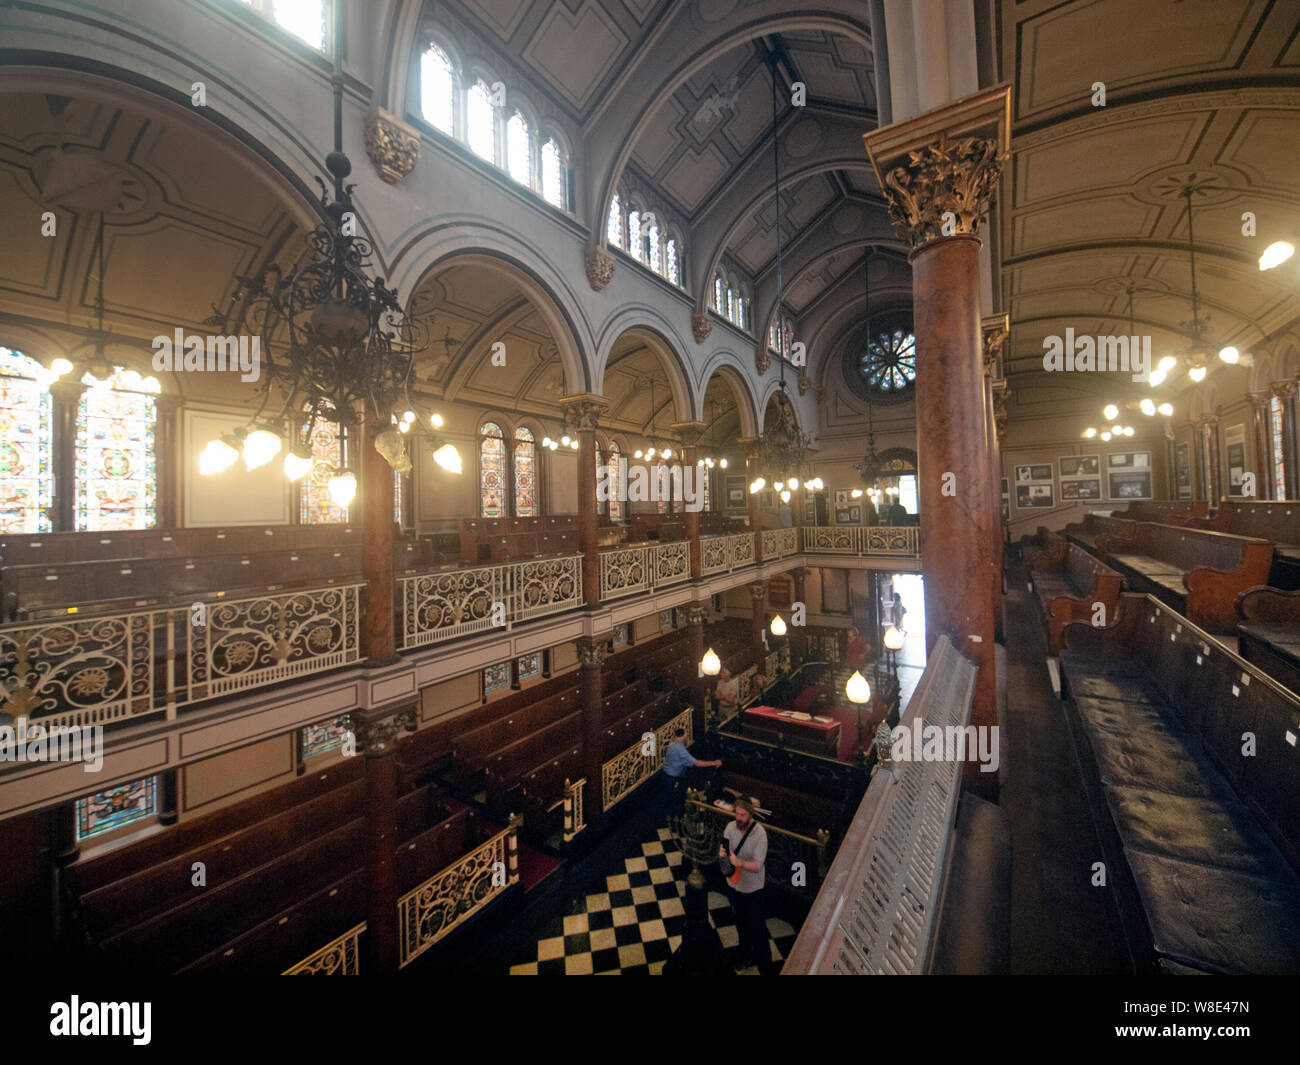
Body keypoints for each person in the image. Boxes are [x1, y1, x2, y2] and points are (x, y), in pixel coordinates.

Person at [719, 795, 769, 971]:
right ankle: (745, 955)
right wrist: (722, 855)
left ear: (750, 815)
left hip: (753, 888)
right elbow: (725, 850)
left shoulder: (760, 834)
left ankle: (765, 964)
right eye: (737, 814)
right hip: (734, 885)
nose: (738, 818)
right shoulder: (730, 828)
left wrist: (738, 862)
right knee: (741, 924)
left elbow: (757, 866)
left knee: (758, 927)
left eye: (742, 815)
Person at [662, 728, 719, 812]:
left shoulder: (672, 745)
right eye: (687, 736)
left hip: (665, 775)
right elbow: (697, 763)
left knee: (670, 798)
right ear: (684, 738)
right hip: (673, 779)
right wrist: (714, 762)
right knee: (677, 801)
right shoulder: (681, 751)